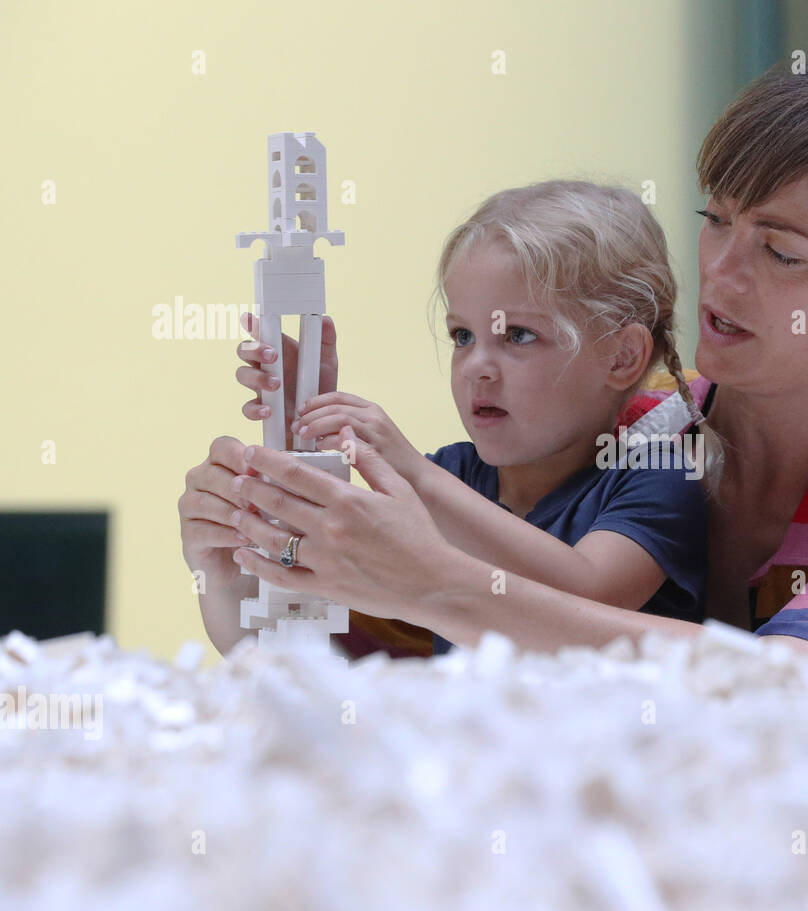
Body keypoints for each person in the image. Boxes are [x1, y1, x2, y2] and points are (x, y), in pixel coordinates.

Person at [181, 42, 808, 656]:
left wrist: (430, 577)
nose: (723, 276)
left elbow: (794, 701)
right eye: (717, 221)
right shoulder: (601, 416)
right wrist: (252, 546)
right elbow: (374, 657)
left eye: (780, 251)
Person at [181, 181, 709, 657]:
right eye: (462, 336)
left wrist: (413, 473)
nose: (477, 366)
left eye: (518, 335)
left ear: (621, 358)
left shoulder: (659, 477)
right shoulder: (451, 476)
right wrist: (227, 565)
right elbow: (285, 653)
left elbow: (585, 598)